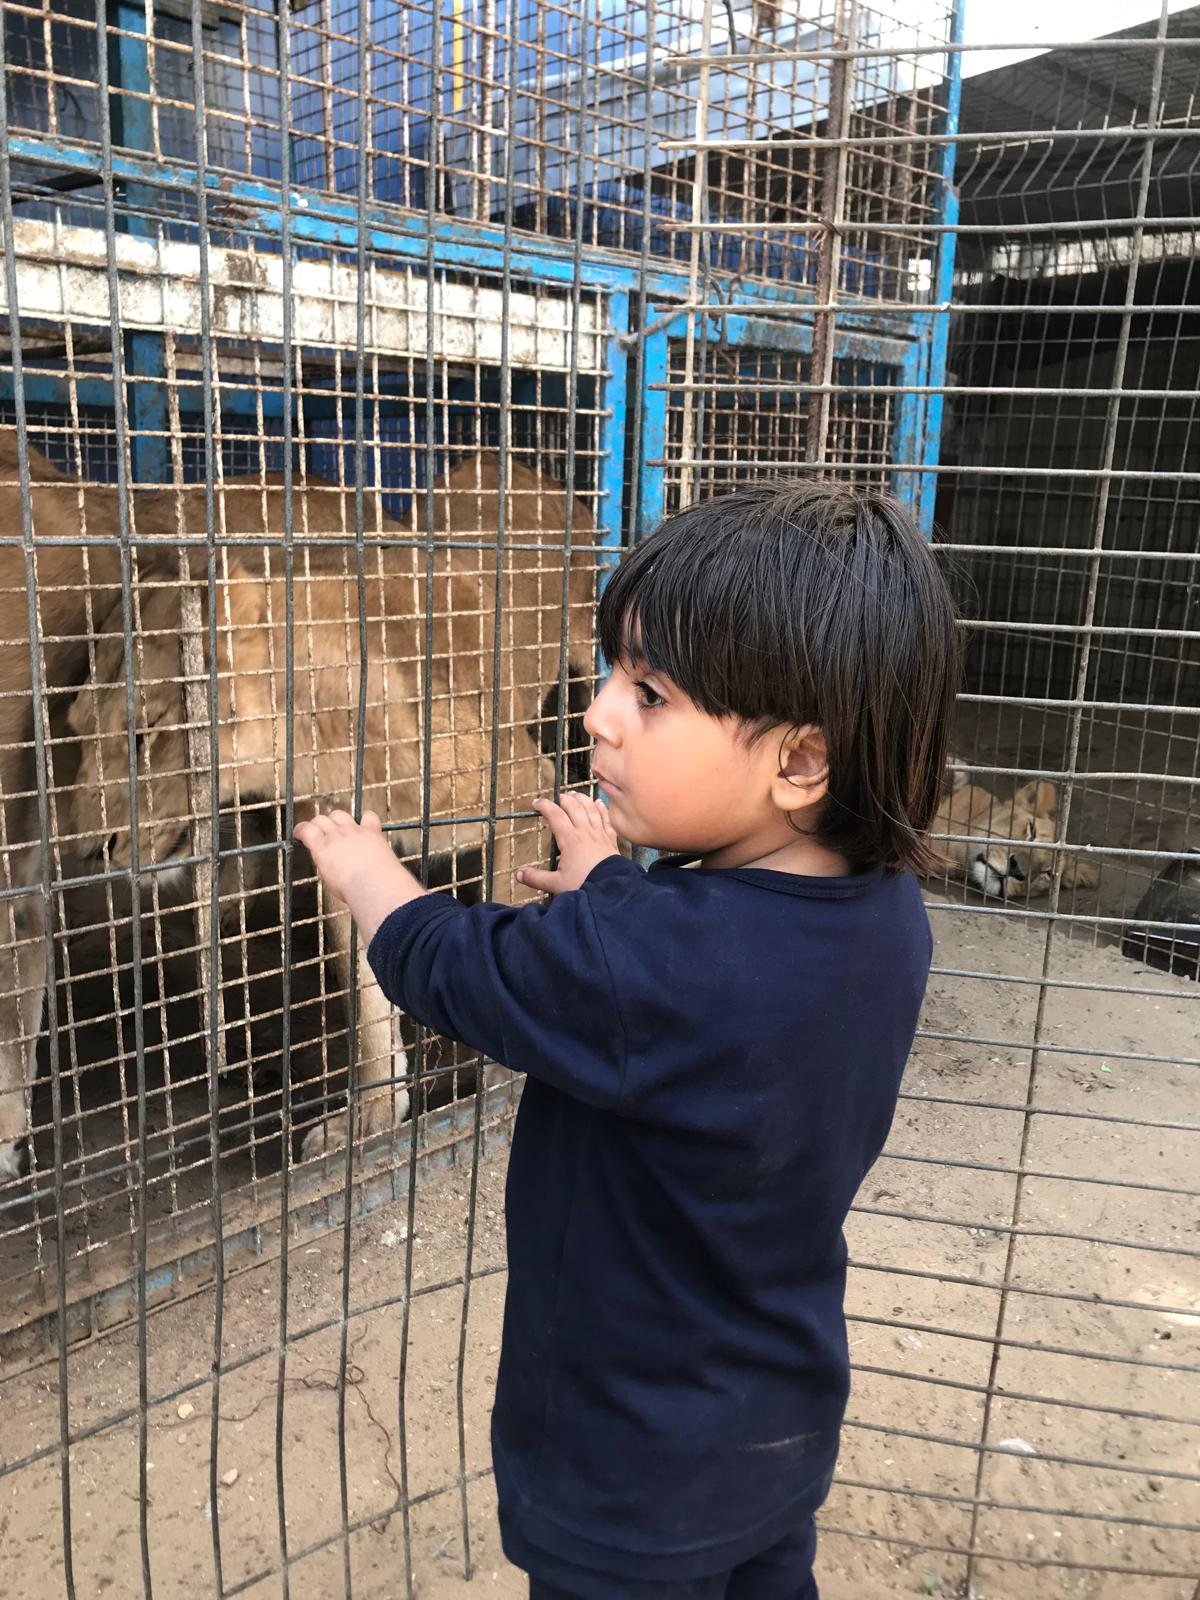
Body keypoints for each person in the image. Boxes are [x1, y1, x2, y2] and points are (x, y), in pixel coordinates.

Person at [295, 480, 960, 1600]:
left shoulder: (648, 965)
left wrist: (375, 878)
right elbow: (703, 968)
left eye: (649, 693)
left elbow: (462, 969)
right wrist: (610, 882)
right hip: (773, 1418)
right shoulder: (885, 915)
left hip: (628, 1467)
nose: (599, 711)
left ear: (800, 763)